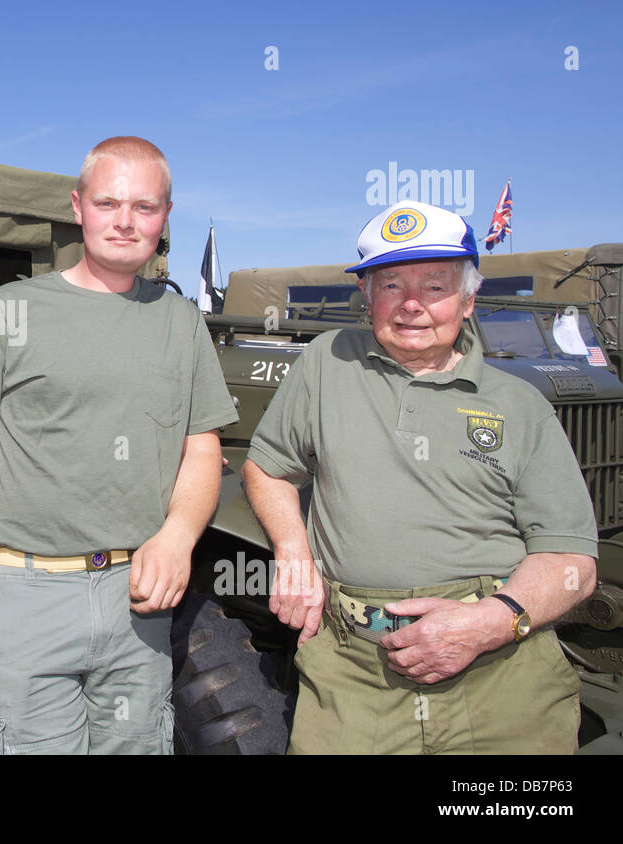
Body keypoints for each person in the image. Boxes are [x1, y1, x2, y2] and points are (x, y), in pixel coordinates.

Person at [242, 200, 599, 754]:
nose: (411, 305)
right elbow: (267, 468)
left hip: (498, 677)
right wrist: (293, 552)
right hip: (351, 675)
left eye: (435, 286)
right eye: (390, 285)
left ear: (468, 298)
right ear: (367, 297)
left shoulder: (521, 406)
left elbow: (570, 560)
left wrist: (486, 624)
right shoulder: (324, 364)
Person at [0, 136, 238, 754]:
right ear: (78, 207)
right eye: (108, 202)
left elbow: (202, 448)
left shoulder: (181, 323)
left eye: (144, 207)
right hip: (24, 598)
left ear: (165, 217)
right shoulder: (8, 309)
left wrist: (178, 538)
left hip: (138, 609)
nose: (125, 221)